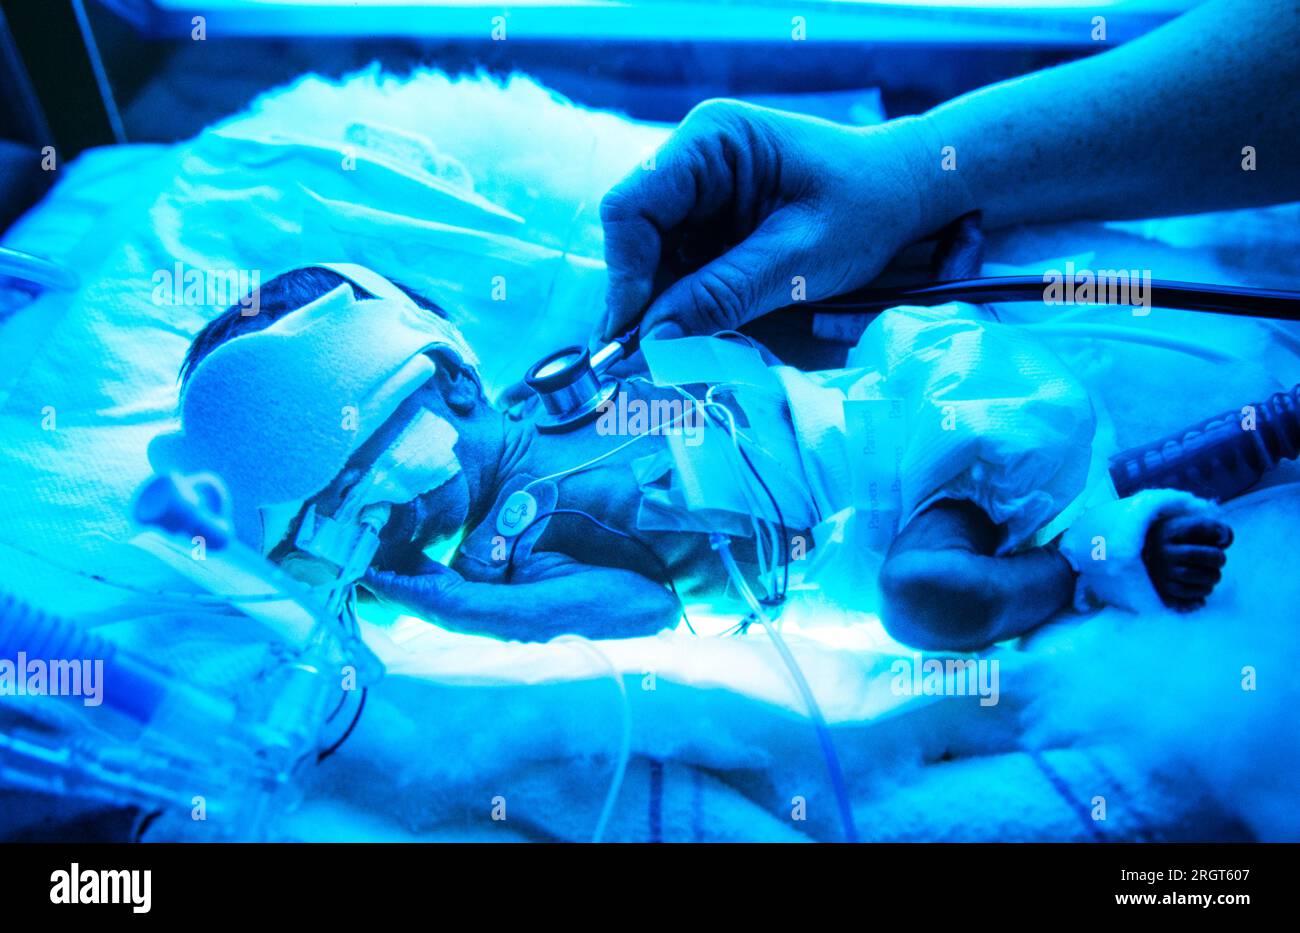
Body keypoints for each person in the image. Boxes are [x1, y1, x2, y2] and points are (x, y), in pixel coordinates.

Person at [593, 0, 1296, 646]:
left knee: (925, 579)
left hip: (919, 399)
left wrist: (929, 181)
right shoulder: (510, 527)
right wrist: (923, 174)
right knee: (927, 574)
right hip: (926, 439)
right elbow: (641, 604)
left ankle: (1085, 551)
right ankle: (1089, 548)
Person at [157, 263, 1236, 650]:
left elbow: (721, 360)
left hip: (895, 410)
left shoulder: (552, 393)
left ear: (449, 386)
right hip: (888, 519)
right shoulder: (500, 561)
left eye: (367, 492)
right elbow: (637, 607)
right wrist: (454, 606)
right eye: (341, 526)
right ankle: (1103, 548)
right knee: (926, 598)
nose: (382, 534)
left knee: (937, 549)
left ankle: (1094, 533)